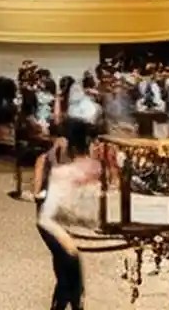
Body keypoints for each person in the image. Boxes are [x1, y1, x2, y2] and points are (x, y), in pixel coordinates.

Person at [36, 122, 101, 310]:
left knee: (69, 277)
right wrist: (66, 240)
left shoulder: (77, 170)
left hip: (65, 227)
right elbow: (47, 217)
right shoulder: (68, 172)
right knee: (69, 277)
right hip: (56, 229)